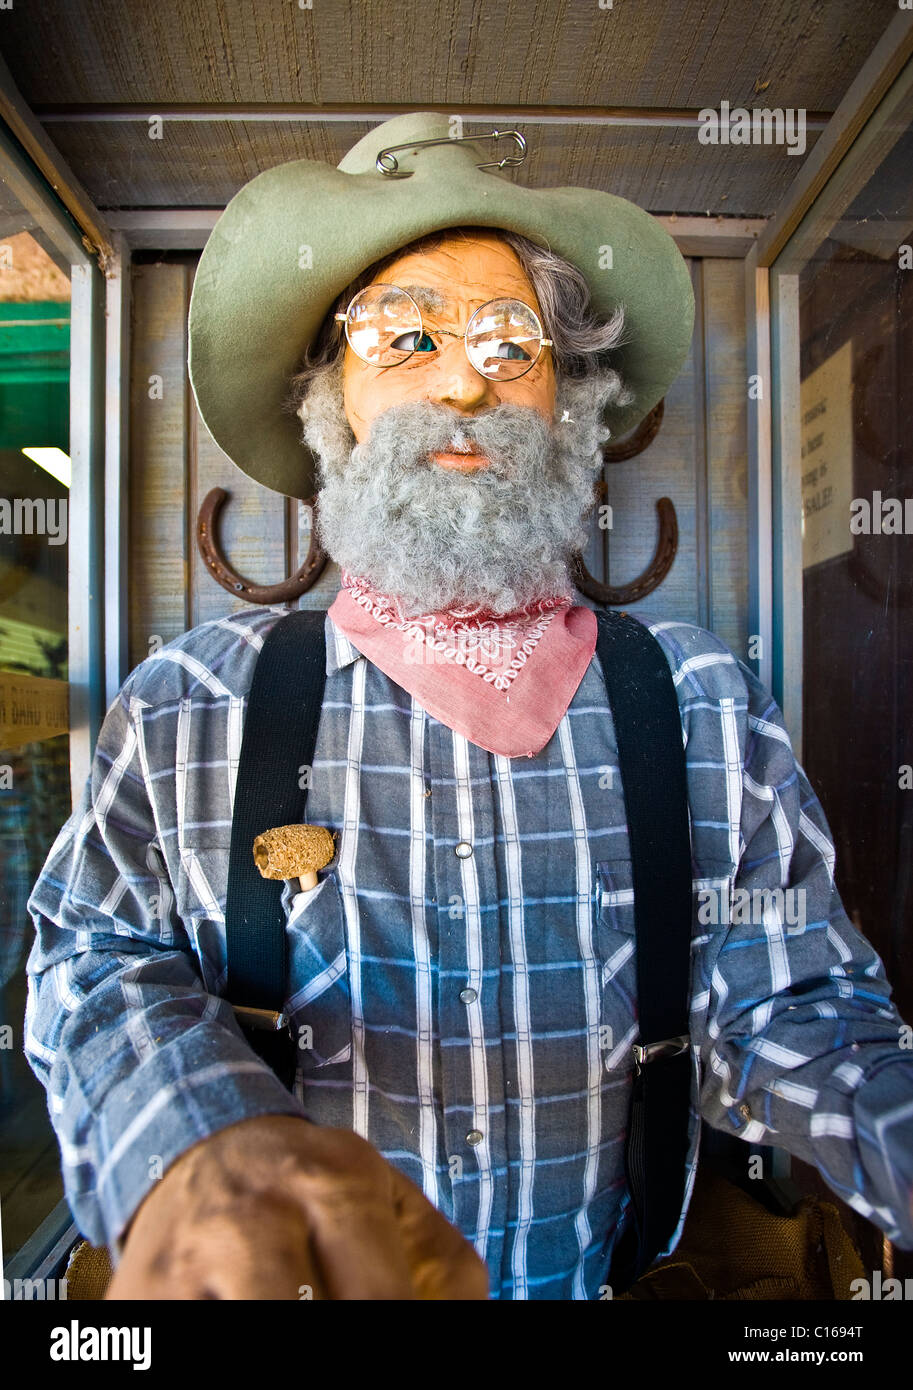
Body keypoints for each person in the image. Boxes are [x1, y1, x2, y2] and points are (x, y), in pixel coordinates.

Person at [23, 112, 913, 1300]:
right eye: (405, 337)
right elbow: (95, 961)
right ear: (328, 406)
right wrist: (191, 1143)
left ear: (573, 413)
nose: (463, 381)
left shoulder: (698, 702)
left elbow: (794, 1006)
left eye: (513, 348)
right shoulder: (191, 704)